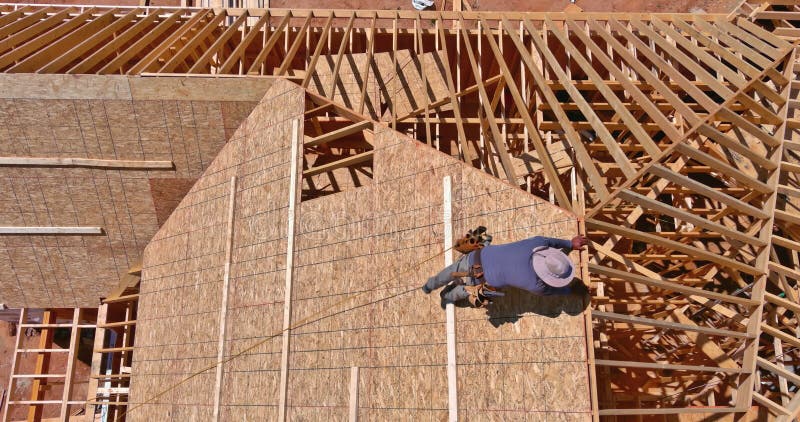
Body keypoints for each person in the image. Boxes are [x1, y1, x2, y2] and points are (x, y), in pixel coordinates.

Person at [422, 235, 589, 307]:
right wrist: (571, 289)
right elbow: (552, 291)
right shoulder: (536, 284)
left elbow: (549, 241)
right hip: (477, 282)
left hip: (474, 257)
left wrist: (570, 243)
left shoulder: (536, 243)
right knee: (458, 293)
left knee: (446, 274)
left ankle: (429, 286)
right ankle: (446, 297)